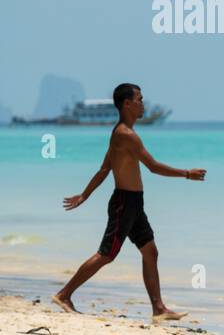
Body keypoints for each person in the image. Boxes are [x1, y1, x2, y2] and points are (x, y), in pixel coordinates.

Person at [52, 83, 206, 321]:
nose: (143, 103)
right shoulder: (126, 135)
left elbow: (105, 168)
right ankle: (64, 294)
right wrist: (187, 173)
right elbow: (153, 167)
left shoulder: (119, 133)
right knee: (107, 254)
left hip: (134, 204)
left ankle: (158, 309)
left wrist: (85, 195)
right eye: (140, 99)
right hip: (124, 203)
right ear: (127, 104)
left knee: (150, 251)